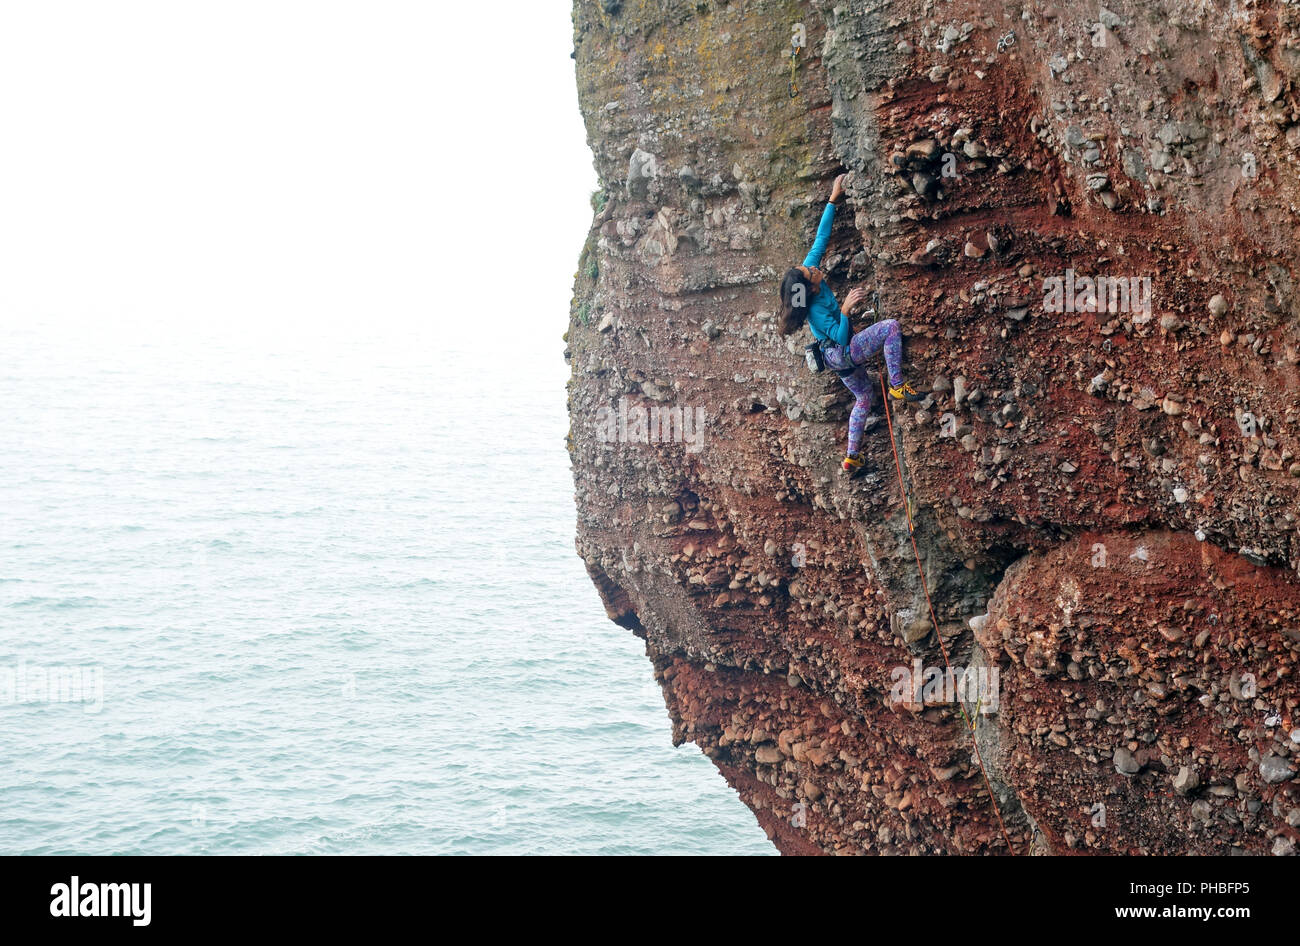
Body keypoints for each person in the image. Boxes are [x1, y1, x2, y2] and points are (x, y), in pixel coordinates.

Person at [779, 173, 921, 473]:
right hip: (842, 351)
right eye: (808, 271)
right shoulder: (815, 309)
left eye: (805, 266)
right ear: (811, 288)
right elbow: (843, 339)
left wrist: (834, 198)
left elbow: (821, 238)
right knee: (892, 327)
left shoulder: (811, 274)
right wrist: (844, 310)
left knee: (864, 396)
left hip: (835, 359)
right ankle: (896, 385)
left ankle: (853, 455)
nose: (812, 266)